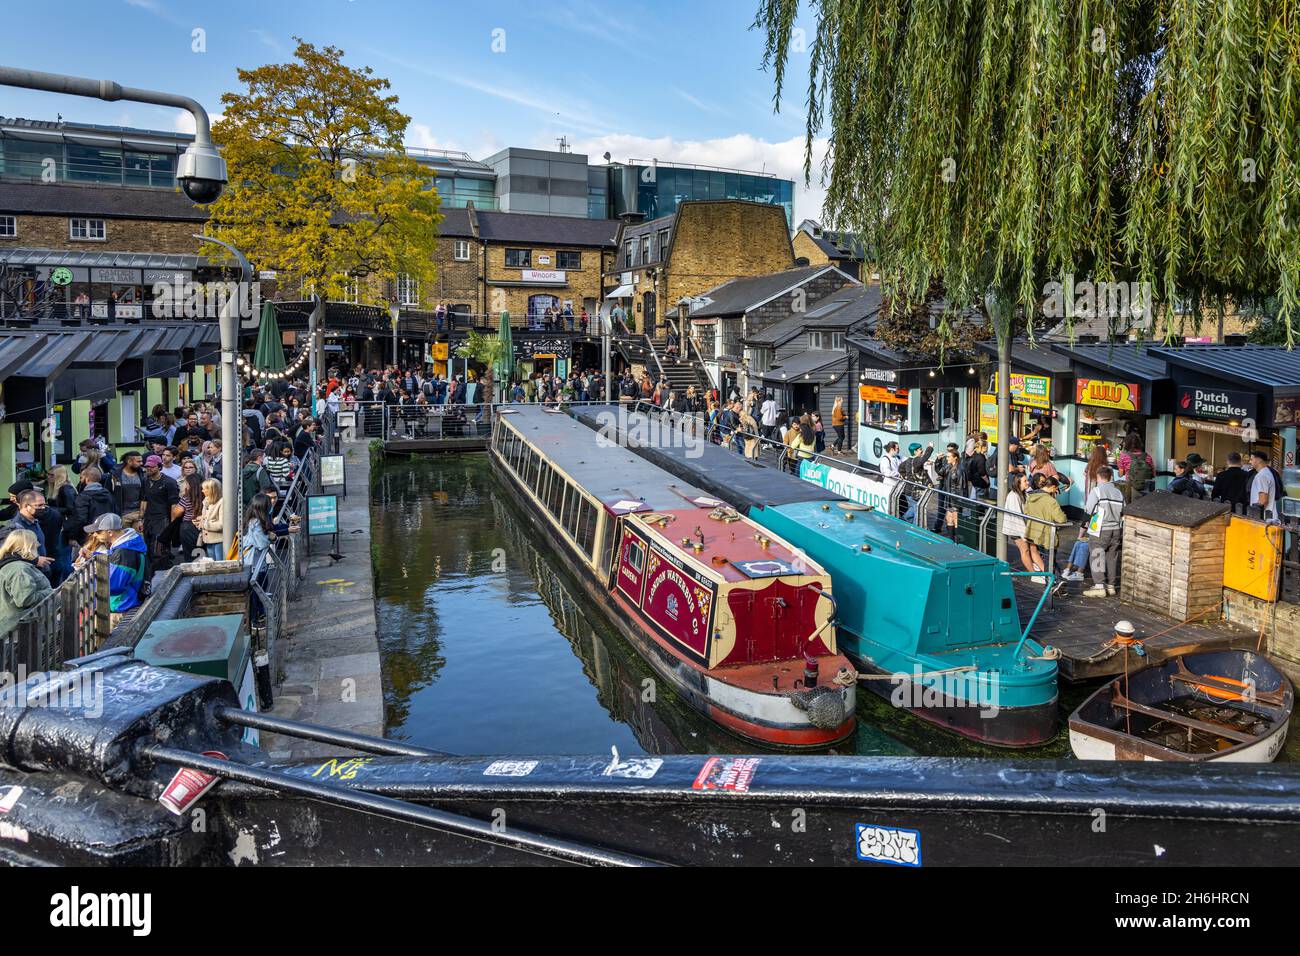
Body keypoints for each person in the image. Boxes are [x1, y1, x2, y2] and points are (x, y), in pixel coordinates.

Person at [87, 514, 147, 628]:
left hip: (120, 607)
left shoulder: (124, 553)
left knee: (104, 645)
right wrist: (93, 555)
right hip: (127, 601)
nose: (94, 535)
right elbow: (114, 558)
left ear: (110, 532)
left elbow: (111, 586)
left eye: (98, 532)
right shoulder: (129, 543)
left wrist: (88, 580)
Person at [1081, 465, 1125, 597]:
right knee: (1112, 557)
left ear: (1099, 477)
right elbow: (1124, 512)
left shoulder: (1097, 491)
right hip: (1116, 529)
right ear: (1110, 477)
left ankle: (1099, 586)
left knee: (1097, 553)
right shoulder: (1119, 493)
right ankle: (1111, 586)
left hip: (1100, 529)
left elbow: (1089, 509)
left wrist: (1083, 528)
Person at [0, 529, 53, 635]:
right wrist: (51, 592)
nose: (37, 546)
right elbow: (25, 599)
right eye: (34, 544)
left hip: (22, 630)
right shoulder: (19, 569)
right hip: (21, 633)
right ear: (27, 546)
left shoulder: (17, 566)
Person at [1023, 476, 1068, 584]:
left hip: (1033, 531)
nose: (1056, 492)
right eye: (1056, 489)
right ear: (1052, 487)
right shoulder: (1051, 501)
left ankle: (1057, 578)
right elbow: (1061, 519)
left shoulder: (1030, 497)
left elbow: (1026, 512)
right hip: (1047, 534)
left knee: (1046, 557)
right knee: (1050, 558)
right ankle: (1052, 582)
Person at [140, 454, 180, 566]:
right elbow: (144, 500)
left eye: (152, 467)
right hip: (148, 518)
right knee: (148, 547)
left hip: (163, 518)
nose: (148, 469)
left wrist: (172, 524)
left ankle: (163, 569)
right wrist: (140, 519)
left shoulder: (169, 482)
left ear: (159, 467)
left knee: (159, 548)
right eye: (147, 466)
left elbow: (174, 504)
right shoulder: (145, 481)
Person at [71, 467, 117, 545]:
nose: (80, 480)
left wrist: (74, 536)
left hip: (89, 536)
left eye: (81, 478)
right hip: (107, 535)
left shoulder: (83, 497)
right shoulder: (108, 494)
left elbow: (80, 519)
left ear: (87, 479)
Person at [195, 479, 226, 560]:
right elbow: (207, 518)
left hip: (219, 541)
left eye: (204, 489)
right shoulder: (206, 501)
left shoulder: (222, 502)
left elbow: (221, 525)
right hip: (208, 540)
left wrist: (202, 524)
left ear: (211, 490)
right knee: (213, 564)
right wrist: (200, 520)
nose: (202, 491)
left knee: (219, 566)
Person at [1250, 450, 1280, 521]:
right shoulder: (1266, 472)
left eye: (1251, 459)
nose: (1250, 462)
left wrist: (1254, 516)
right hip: (1267, 516)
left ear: (1258, 460)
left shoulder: (1262, 475)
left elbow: (1263, 500)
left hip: (1263, 517)